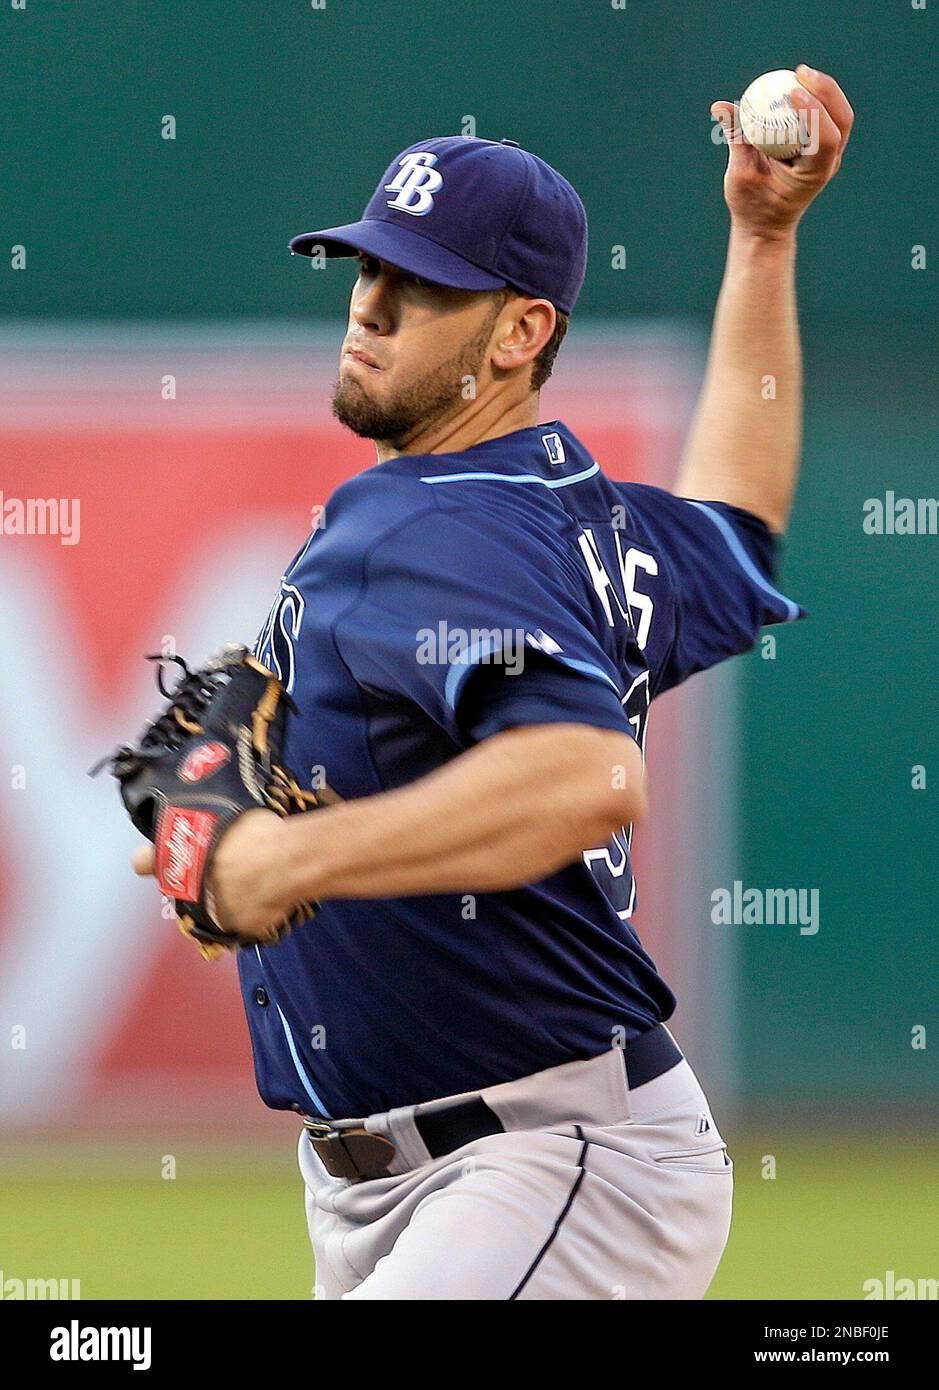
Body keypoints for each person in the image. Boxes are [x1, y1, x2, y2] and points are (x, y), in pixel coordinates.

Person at [135, 70, 852, 1299]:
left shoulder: (440, 529)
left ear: (520, 334)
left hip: (545, 1161)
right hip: (439, 1175)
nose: (370, 306)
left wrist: (284, 862)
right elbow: (736, 521)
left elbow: (589, 776)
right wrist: (765, 237)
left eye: (420, 285)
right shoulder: (565, 514)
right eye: (366, 270)